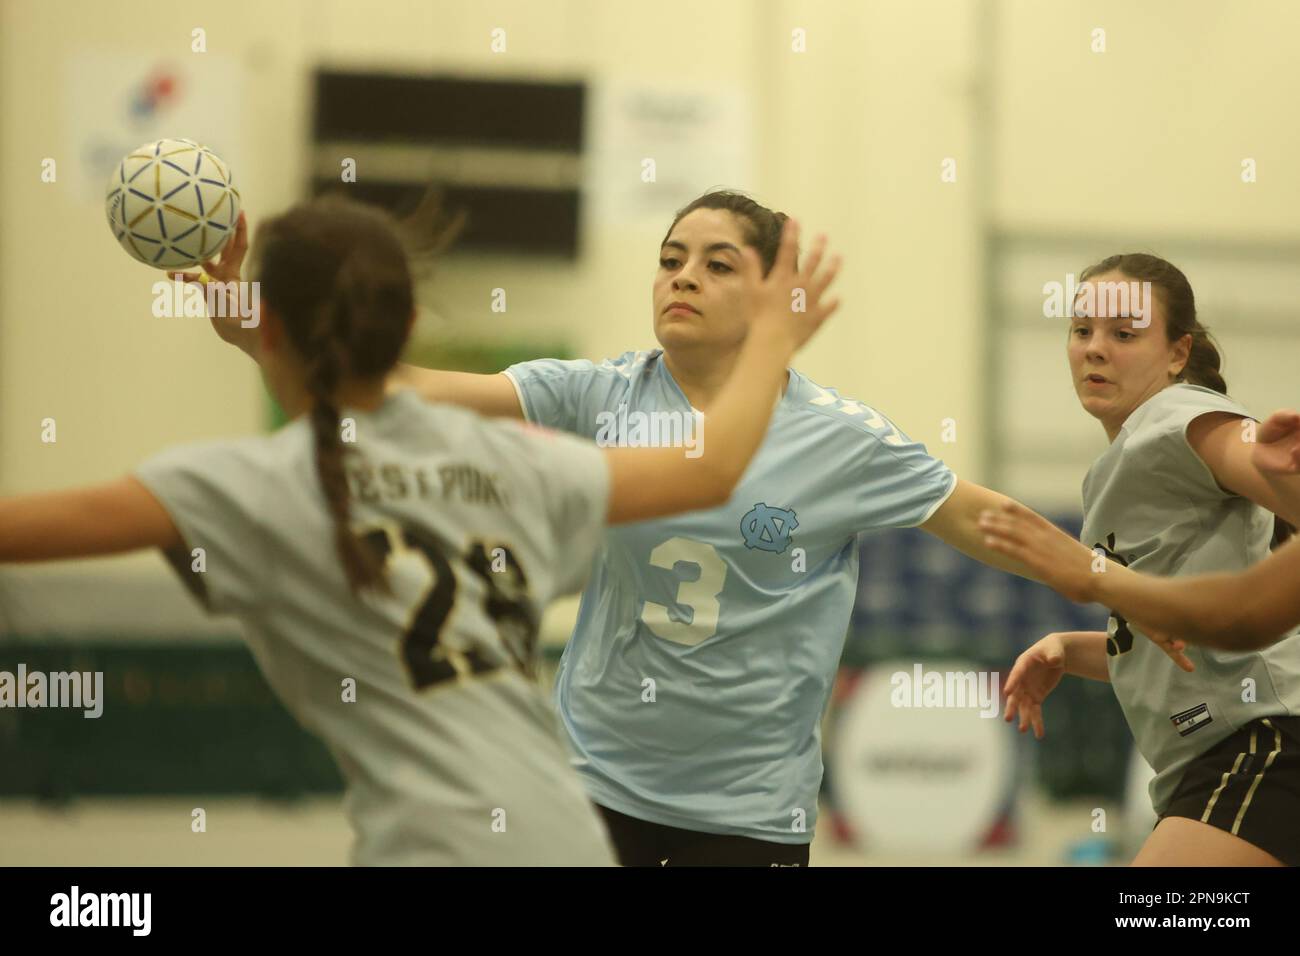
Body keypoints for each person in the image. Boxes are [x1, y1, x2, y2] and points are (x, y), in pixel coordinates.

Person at [0, 194, 842, 865]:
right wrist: (773, 337)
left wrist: (251, 335)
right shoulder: (511, 461)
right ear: (407, 330)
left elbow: (30, 529)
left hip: (439, 847)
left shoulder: (252, 484)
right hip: (566, 835)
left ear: (276, 331)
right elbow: (711, 469)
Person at [978, 254, 1300, 866]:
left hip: (1261, 746)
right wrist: (1072, 650)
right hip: (1231, 753)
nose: (1095, 349)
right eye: (1082, 331)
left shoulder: (1170, 418)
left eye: (1123, 334)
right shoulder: (1122, 463)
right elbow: (1183, 639)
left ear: (1178, 353)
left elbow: (1243, 448)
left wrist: (1272, 466)